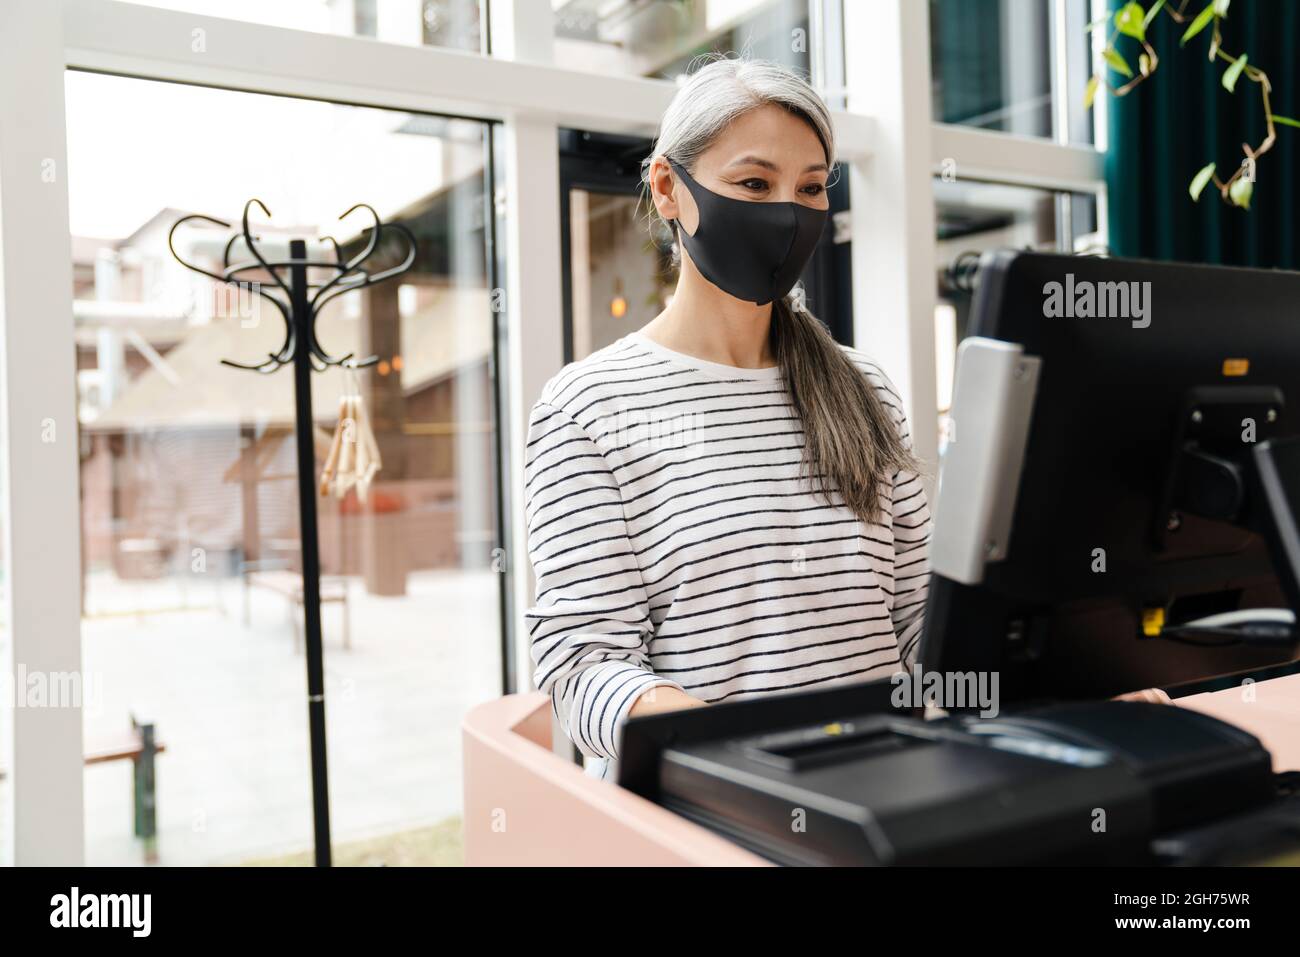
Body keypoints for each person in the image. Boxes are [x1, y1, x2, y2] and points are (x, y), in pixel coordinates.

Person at [522, 56, 932, 779]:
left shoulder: (865, 387)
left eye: (810, 188)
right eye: (753, 183)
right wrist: (736, 751)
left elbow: (919, 621)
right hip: (714, 815)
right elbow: (582, 664)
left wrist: (1054, 686)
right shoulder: (587, 408)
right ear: (667, 187)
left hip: (888, 790)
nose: (787, 213)